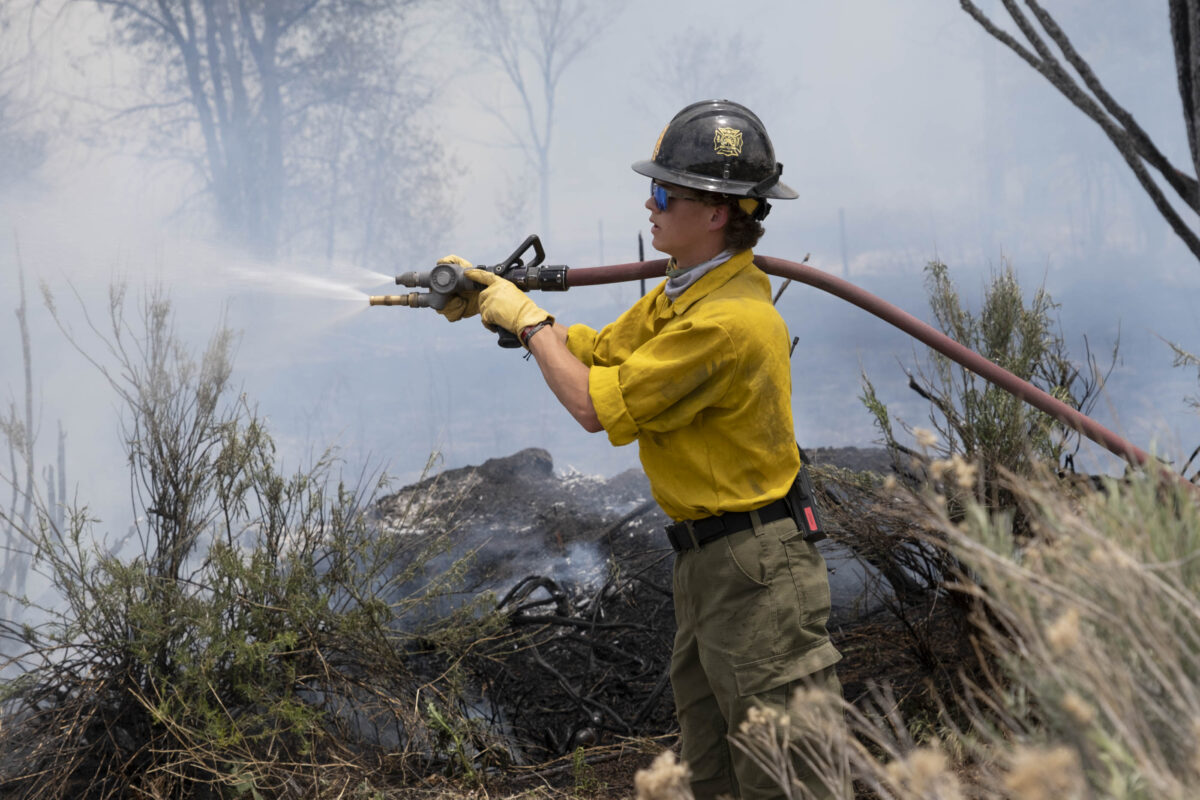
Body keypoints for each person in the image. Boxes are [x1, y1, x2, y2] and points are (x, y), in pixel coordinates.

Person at [437, 99, 842, 800]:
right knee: (714, 774)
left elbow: (593, 404)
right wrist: (493, 302)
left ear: (716, 211)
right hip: (712, 568)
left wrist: (530, 325)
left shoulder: (730, 323)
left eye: (664, 192)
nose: (648, 204)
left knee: (787, 781)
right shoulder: (684, 294)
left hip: (758, 572)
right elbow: (602, 353)